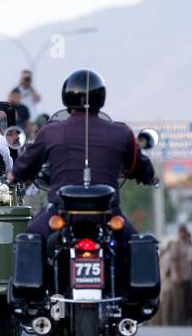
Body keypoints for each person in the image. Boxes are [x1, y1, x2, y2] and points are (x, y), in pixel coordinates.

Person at [10, 69, 155, 279]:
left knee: (29, 239)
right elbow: (141, 167)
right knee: (136, 246)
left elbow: (24, 166)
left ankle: (35, 299)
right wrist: (149, 177)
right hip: (109, 214)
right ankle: (128, 297)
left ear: (66, 97)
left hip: (60, 214)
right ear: (101, 97)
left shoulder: (50, 131)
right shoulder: (121, 133)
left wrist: (13, 177)